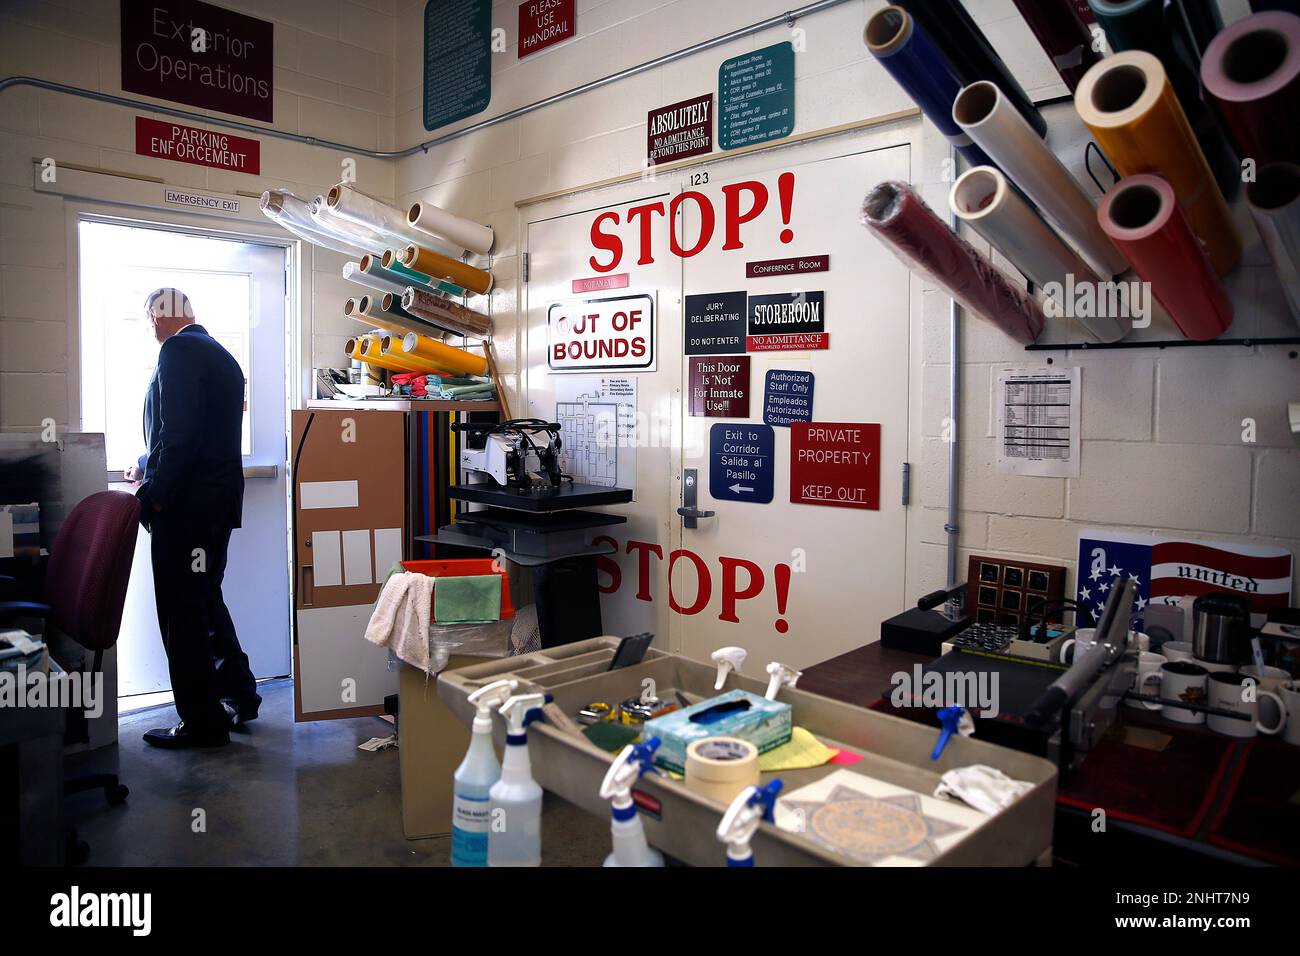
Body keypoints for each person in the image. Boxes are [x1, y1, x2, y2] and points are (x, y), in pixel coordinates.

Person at [126, 288, 261, 748]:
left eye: (149, 319)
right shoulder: (218, 354)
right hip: (215, 506)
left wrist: (153, 495)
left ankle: (202, 722)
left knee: (181, 612)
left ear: (156, 316)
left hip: (185, 509)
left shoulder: (177, 350)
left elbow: (179, 434)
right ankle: (239, 695)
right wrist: (148, 459)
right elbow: (196, 431)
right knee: (204, 601)